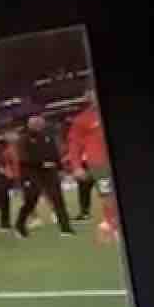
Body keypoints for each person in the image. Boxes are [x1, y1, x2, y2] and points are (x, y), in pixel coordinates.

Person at [66, 93, 119, 241]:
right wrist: (76, 166)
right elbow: (74, 144)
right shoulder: (82, 120)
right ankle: (112, 224)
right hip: (100, 164)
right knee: (107, 194)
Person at [15, 113, 74, 238]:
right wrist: (42, 163)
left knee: (58, 199)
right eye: (36, 123)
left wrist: (60, 167)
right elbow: (24, 158)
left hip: (49, 173)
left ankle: (66, 229)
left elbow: (55, 154)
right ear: (30, 125)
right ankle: (20, 225)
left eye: (40, 123)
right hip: (31, 174)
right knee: (30, 201)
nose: (39, 125)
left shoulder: (48, 137)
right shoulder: (23, 139)